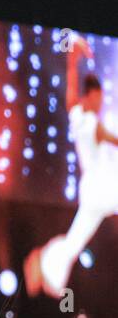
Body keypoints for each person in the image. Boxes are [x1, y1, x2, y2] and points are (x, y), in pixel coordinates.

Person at [26, 35, 118, 297]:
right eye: (97, 98)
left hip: (95, 189)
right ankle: (44, 261)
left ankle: (44, 261)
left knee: (76, 240)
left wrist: (73, 57)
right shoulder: (91, 123)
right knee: (76, 238)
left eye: (101, 98)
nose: (100, 103)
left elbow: (69, 90)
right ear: (89, 98)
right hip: (105, 188)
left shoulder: (78, 117)